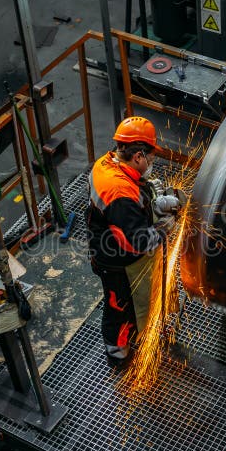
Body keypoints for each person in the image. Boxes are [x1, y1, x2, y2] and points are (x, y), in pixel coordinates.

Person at [86, 116, 180, 363]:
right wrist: (164, 227)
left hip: (111, 235)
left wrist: (155, 204)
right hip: (113, 260)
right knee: (120, 306)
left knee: (125, 302)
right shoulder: (119, 192)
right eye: (150, 159)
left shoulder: (107, 162)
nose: (151, 164)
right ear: (138, 156)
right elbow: (139, 242)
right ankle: (117, 352)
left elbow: (132, 200)